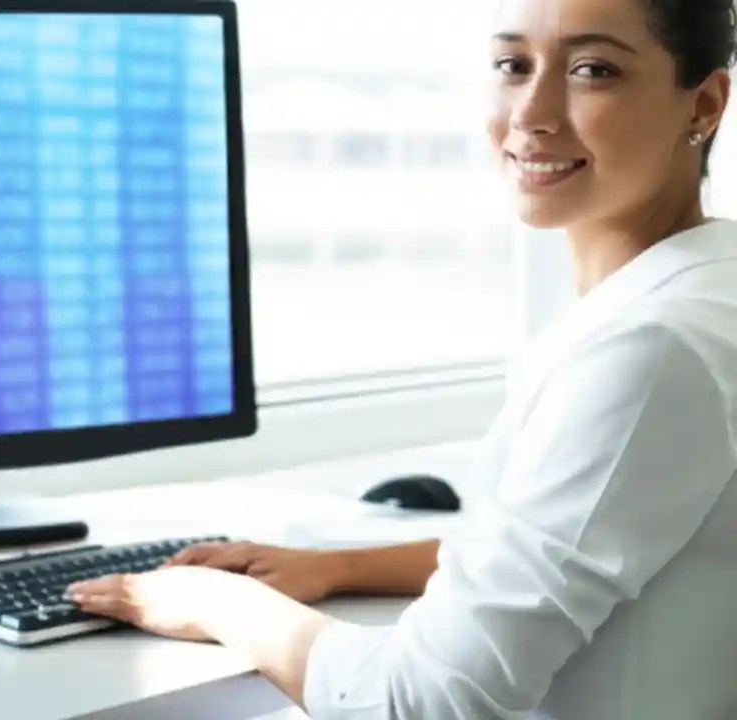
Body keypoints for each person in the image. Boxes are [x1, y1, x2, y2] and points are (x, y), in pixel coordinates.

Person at [66, 0, 737, 717]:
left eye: (592, 71)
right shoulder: (707, 285)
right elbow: (574, 542)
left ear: (703, 104)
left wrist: (216, 604)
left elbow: (423, 700)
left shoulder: (649, 351)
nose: (531, 113)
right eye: (512, 65)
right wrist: (340, 567)